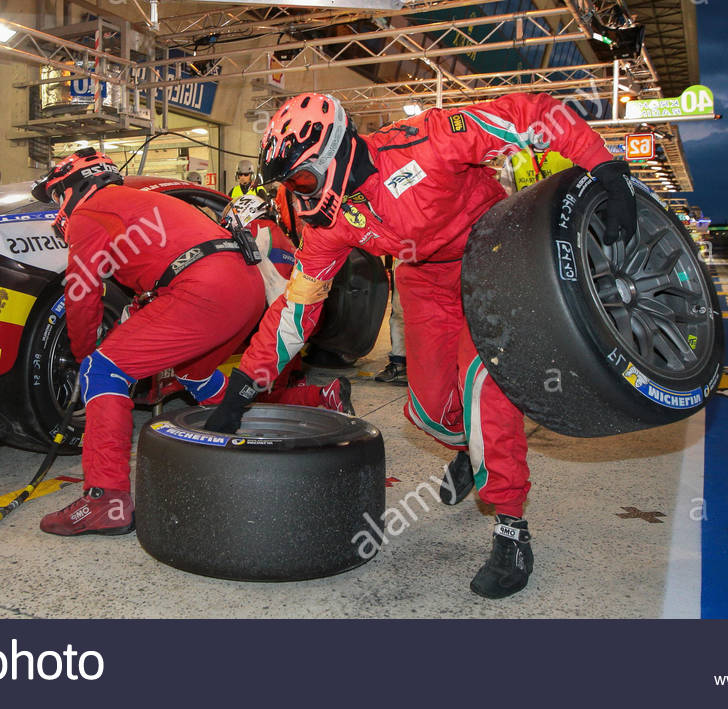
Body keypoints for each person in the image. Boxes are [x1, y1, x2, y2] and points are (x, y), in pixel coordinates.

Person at [205, 92, 636, 598]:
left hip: (492, 257)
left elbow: (534, 113)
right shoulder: (327, 225)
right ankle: (466, 450)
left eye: (302, 180)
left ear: (335, 153)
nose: (299, 196)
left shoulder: (428, 140)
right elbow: (296, 311)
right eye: (290, 184)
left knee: (485, 391)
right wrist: (242, 390)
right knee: (429, 411)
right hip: (425, 283)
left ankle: (511, 528)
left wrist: (606, 169)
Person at [33, 148, 351, 537]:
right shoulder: (142, 200)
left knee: (103, 370)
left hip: (203, 287)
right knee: (195, 376)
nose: (56, 207)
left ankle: (106, 500)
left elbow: (81, 295)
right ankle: (317, 400)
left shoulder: (89, 213)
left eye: (55, 195)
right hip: (242, 286)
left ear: (72, 185)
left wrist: (86, 358)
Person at [375, 257, 408, 385]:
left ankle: (430, 367)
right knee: (399, 309)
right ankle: (399, 363)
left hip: (436, 254)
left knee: (432, 314)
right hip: (407, 252)